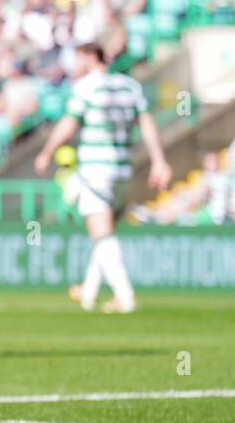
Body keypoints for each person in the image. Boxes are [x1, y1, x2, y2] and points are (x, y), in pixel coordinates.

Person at [35, 43, 171, 313]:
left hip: (96, 169)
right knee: (105, 233)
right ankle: (89, 292)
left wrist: (46, 151)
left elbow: (69, 123)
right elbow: (145, 123)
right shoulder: (129, 86)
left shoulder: (86, 87)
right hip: (122, 168)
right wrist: (158, 160)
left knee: (101, 234)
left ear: (87, 57)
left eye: (77, 59)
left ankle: (125, 296)